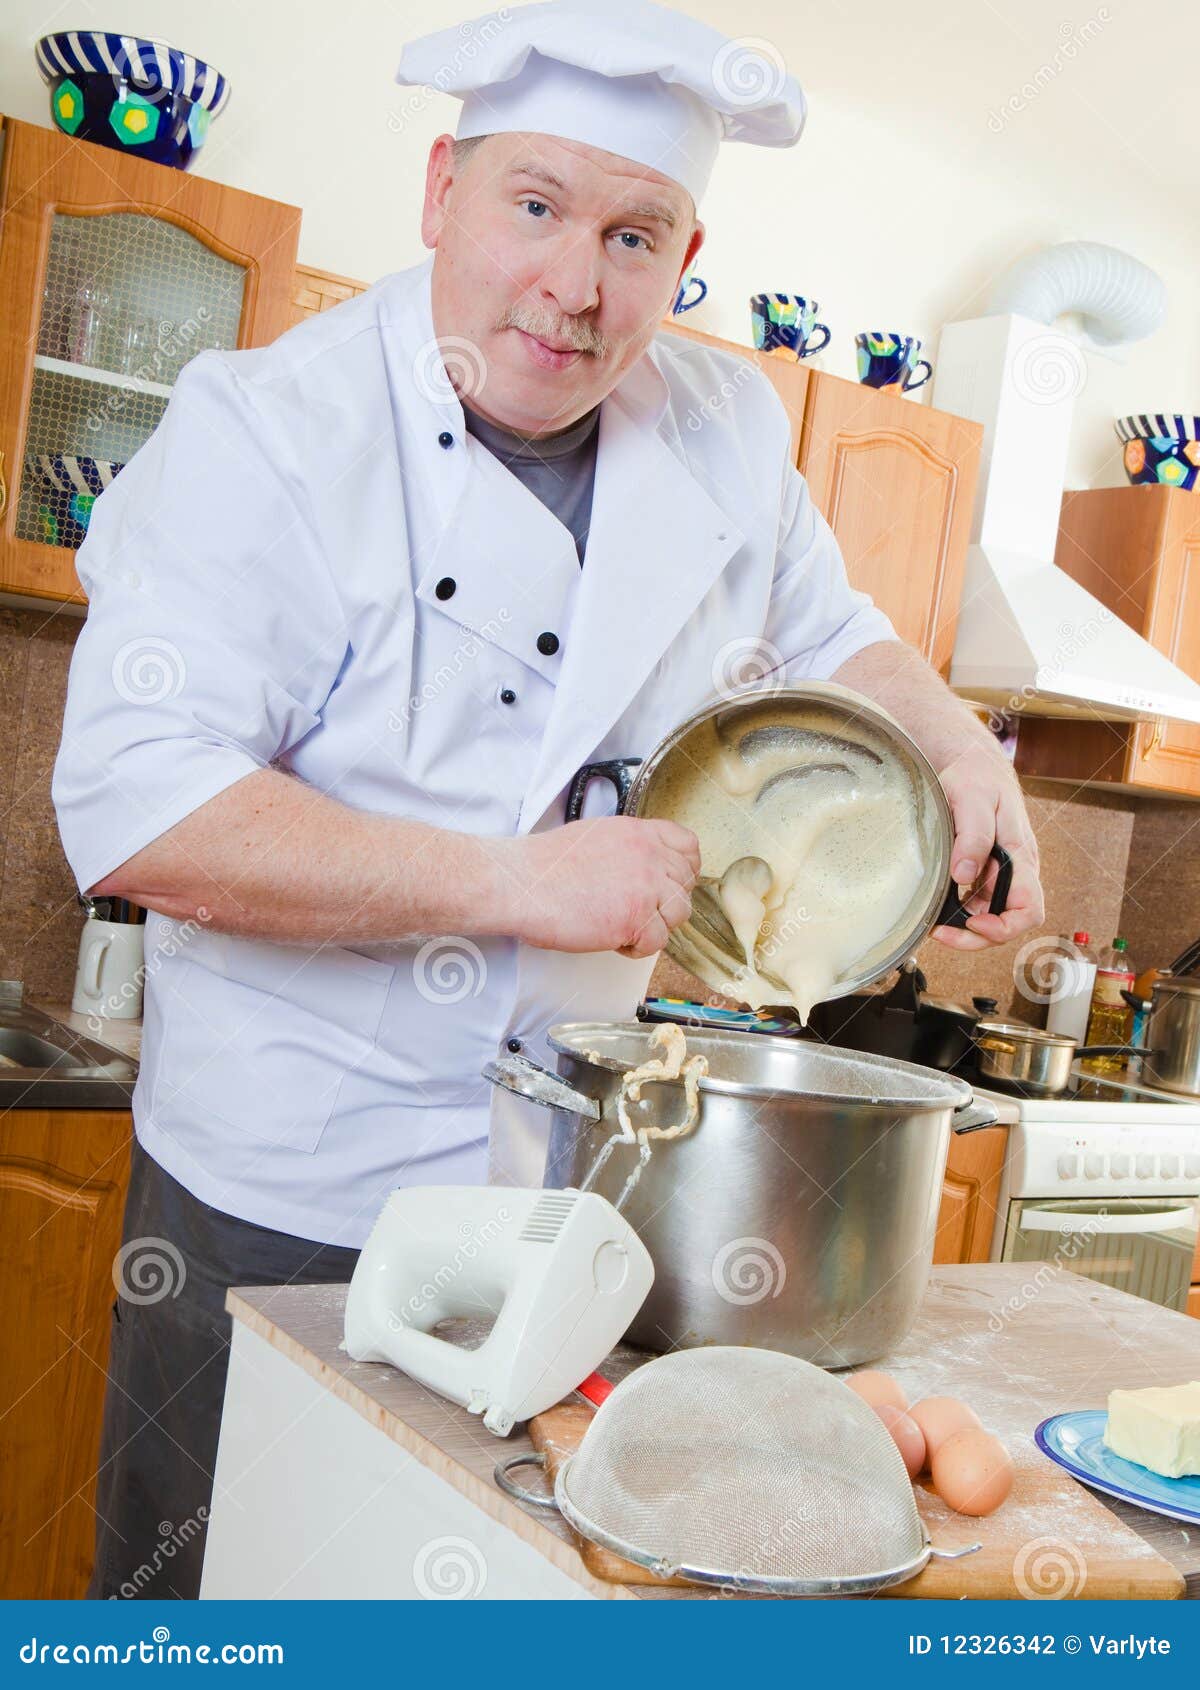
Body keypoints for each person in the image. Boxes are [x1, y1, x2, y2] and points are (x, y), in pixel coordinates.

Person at [52, 0, 1043, 1600]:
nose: (577, 286)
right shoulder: (271, 432)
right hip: (290, 1200)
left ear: (687, 250)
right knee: (222, 1600)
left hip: (570, 1205)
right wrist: (524, 882)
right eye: (535, 206)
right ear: (440, 190)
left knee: (472, 1601)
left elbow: (834, 627)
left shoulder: (722, 423)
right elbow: (146, 815)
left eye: (635, 235)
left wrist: (959, 748)